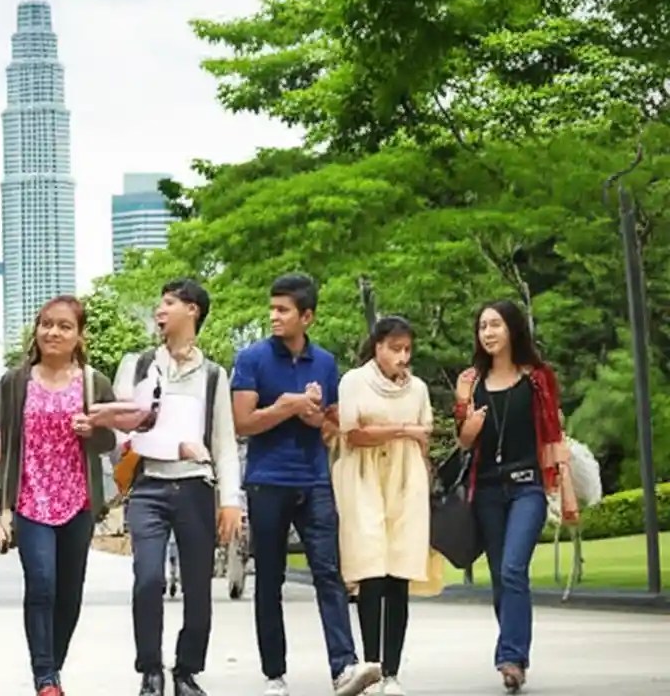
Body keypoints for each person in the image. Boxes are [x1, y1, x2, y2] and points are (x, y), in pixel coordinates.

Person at [91, 279, 242, 696]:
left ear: (192, 311)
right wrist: (129, 450)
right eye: (159, 303)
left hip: (195, 487)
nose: (160, 310)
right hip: (149, 485)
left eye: (170, 303)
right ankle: (151, 669)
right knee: (148, 577)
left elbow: (224, 443)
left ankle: (187, 671)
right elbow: (119, 431)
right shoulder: (137, 366)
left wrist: (230, 501)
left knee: (198, 588)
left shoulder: (213, 375)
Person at [231, 273, 379, 696]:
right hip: (267, 480)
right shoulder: (252, 358)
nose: (274, 316)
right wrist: (286, 406)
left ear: (307, 316)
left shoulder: (326, 363)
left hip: (314, 478)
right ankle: (274, 674)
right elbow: (243, 422)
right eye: (272, 308)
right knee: (270, 578)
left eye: (284, 310)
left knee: (329, 573)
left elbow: (330, 423)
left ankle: (344, 667)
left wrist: (314, 415)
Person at [0, 295, 118, 696]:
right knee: (41, 583)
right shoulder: (15, 382)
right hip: (31, 499)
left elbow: (110, 440)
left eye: (64, 326)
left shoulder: (94, 383)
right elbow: (5, 444)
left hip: (77, 500)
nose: (53, 332)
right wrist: (4, 508)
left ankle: (53, 667)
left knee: (69, 592)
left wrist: (91, 431)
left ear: (79, 334)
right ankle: (45, 677)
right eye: (46, 324)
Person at [454, 300, 576, 694]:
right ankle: (514, 654)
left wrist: (564, 488)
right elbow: (461, 443)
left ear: (512, 329)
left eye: (496, 325)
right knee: (500, 581)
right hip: (487, 489)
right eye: (482, 326)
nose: (488, 332)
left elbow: (554, 434)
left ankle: (511, 658)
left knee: (512, 569)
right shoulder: (470, 381)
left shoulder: (538, 378)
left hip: (528, 488)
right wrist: (470, 427)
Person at [333, 317, 446, 696]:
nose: (402, 356)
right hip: (364, 478)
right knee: (371, 572)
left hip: (405, 479)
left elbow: (425, 434)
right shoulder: (354, 381)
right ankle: (371, 669)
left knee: (399, 574)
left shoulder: (417, 389)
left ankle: (393, 672)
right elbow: (353, 433)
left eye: (407, 349)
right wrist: (401, 431)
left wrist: (415, 450)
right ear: (378, 347)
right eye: (394, 348)